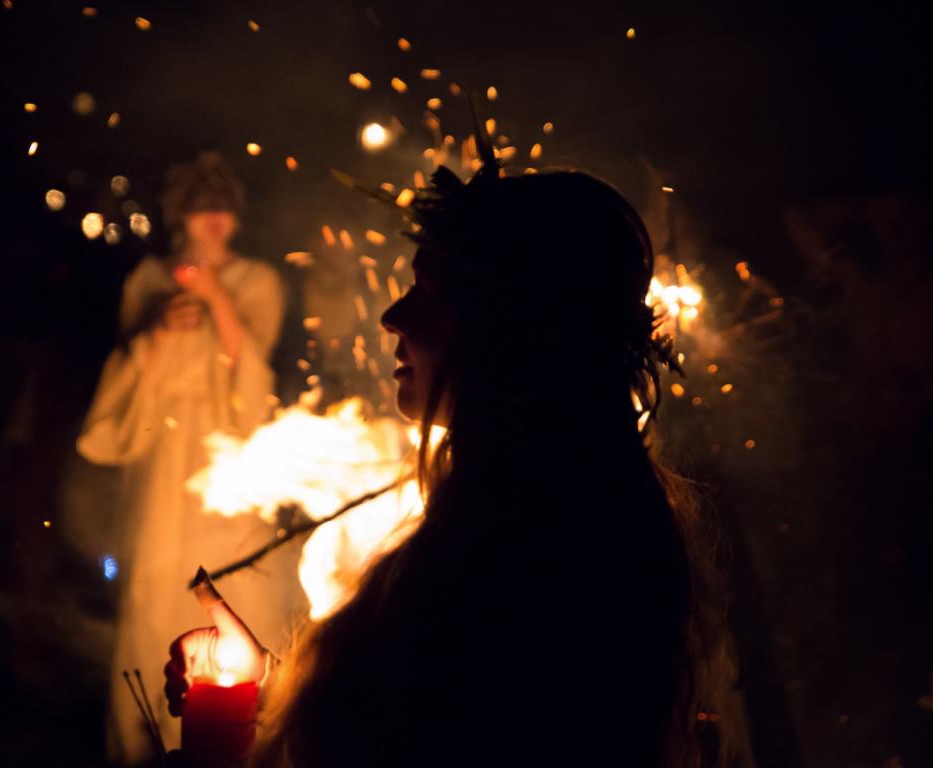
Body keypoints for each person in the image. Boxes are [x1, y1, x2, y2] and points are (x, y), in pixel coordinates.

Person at [165, 163, 736, 767]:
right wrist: (261, 686)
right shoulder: (553, 511)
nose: (393, 317)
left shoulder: (529, 549)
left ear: (511, 326)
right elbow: (415, 714)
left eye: (429, 292)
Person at [78, 152, 299, 764]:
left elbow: (255, 378)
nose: (214, 222)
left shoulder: (256, 279)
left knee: (234, 582)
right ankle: (146, 743)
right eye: (203, 210)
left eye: (223, 210)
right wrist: (157, 330)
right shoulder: (148, 279)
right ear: (181, 216)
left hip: (229, 463)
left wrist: (213, 298)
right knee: (154, 587)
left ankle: (238, 741)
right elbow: (126, 368)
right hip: (163, 468)